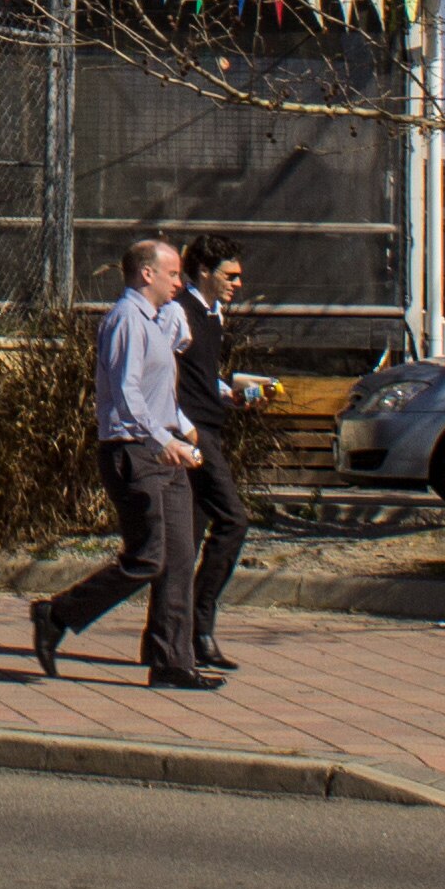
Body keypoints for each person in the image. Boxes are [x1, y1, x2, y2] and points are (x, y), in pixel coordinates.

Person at [29, 238, 216, 690]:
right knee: (148, 558)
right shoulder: (126, 321)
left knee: (179, 558)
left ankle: (173, 662)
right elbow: (127, 393)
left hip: (163, 450)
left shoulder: (157, 320)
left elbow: (162, 388)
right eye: (173, 274)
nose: (180, 282)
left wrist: (182, 430)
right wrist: (160, 439)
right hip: (133, 452)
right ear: (146, 274)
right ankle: (57, 613)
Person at [175, 241, 257, 669]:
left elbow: (200, 374)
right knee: (233, 519)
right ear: (204, 271)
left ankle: (169, 640)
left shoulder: (211, 315)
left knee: (184, 542)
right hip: (191, 433)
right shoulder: (180, 313)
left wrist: (230, 393)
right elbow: (158, 374)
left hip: (207, 425)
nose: (237, 284)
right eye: (230, 276)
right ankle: (198, 630)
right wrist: (178, 426)